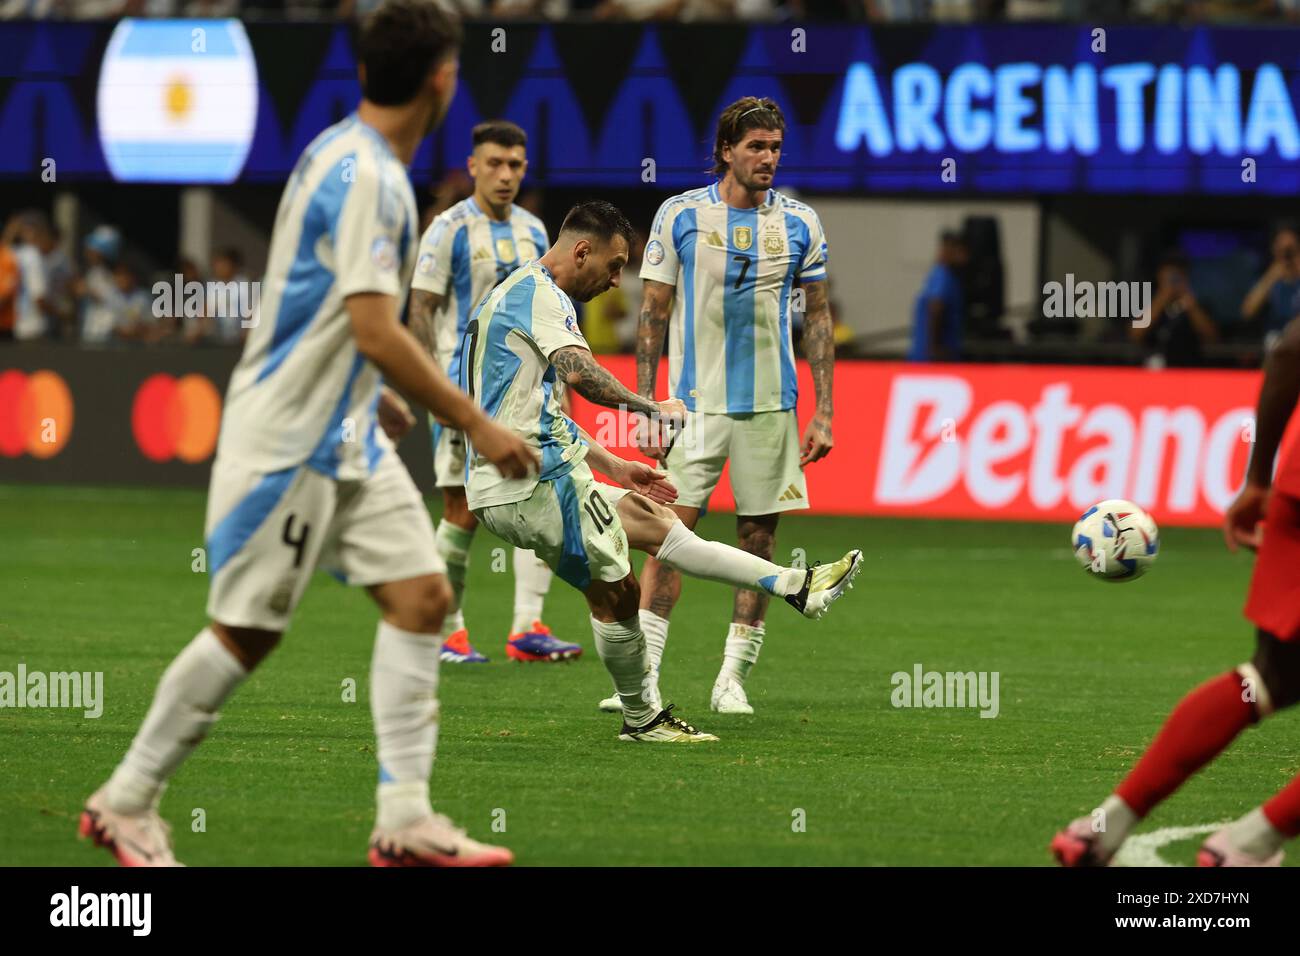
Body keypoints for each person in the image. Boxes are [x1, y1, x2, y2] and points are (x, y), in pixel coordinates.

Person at [78, 0, 536, 869]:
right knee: (246, 632)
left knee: (422, 599)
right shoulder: (371, 179)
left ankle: (404, 817)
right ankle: (125, 801)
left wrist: (374, 393)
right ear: (442, 80)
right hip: (290, 439)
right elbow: (372, 326)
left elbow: (332, 314)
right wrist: (473, 420)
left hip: (347, 432)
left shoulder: (335, 150)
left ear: (366, 72)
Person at [464, 200, 862, 742]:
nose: (614, 281)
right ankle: (643, 718)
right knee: (619, 595)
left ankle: (797, 585)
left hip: (531, 475)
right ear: (581, 249)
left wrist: (615, 465)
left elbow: (539, 411)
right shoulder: (541, 296)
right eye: (612, 265)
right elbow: (580, 374)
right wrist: (651, 408)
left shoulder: (509, 294)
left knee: (652, 521)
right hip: (530, 483)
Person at [1052, 312, 1300, 868]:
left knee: (1271, 677)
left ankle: (1101, 828)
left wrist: (1259, 478)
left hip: (1295, 483)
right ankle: (1249, 843)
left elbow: (1289, 352)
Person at [629, 96, 839, 717]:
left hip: (772, 405)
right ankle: (644, 679)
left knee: (758, 538)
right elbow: (652, 313)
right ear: (727, 150)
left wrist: (825, 409)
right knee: (668, 532)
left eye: (775, 147)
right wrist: (646, 403)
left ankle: (731, 679)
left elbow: (819, 315)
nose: (768, 157)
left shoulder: (801, 222)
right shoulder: (680, 215)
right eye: (756, 147)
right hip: (692, 405)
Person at [408, 120, 579, 664]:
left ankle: (527, 627)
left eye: (516, 166)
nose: (506, 175)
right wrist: (433, 387)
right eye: (496, 164)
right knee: (461, 508)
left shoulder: (534, 231)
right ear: (474, 166)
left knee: (542, 494)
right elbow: (420, 310)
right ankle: (445, 633)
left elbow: (551, 309)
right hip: (460, 394)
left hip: (525, 395)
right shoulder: (448, 228)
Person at [1129, 251, 1217, 368]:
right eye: (1168, 275)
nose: (1173, 280)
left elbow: (1212, 337)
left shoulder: (1198, 304)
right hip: (1151, 370)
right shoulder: (1147, 302)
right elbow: (1135, 334)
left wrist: (1191, 304)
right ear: (1159, 275)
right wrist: (1161, 299)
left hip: (1187, 370)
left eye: (1178, 274)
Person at [908, 230, 965, 363]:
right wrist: (935, 348)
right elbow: (935, 307)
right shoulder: (943, 276)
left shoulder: (941, 275)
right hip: (932, 361)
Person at [1242, 222, 1300, 351]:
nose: (1287, 256)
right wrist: (1272, 276)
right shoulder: (1268, 278)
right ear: (1274, 249)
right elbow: (1247, 311)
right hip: (1275, 343)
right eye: (1283, 250)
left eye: (1291, 250)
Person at [77, 226, 123, 346]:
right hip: (92, 333)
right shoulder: (94, 272)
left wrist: (88, 291)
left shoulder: (117, 275)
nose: (88, 252)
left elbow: (113, 302)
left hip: (107, 335)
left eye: (93, 250)